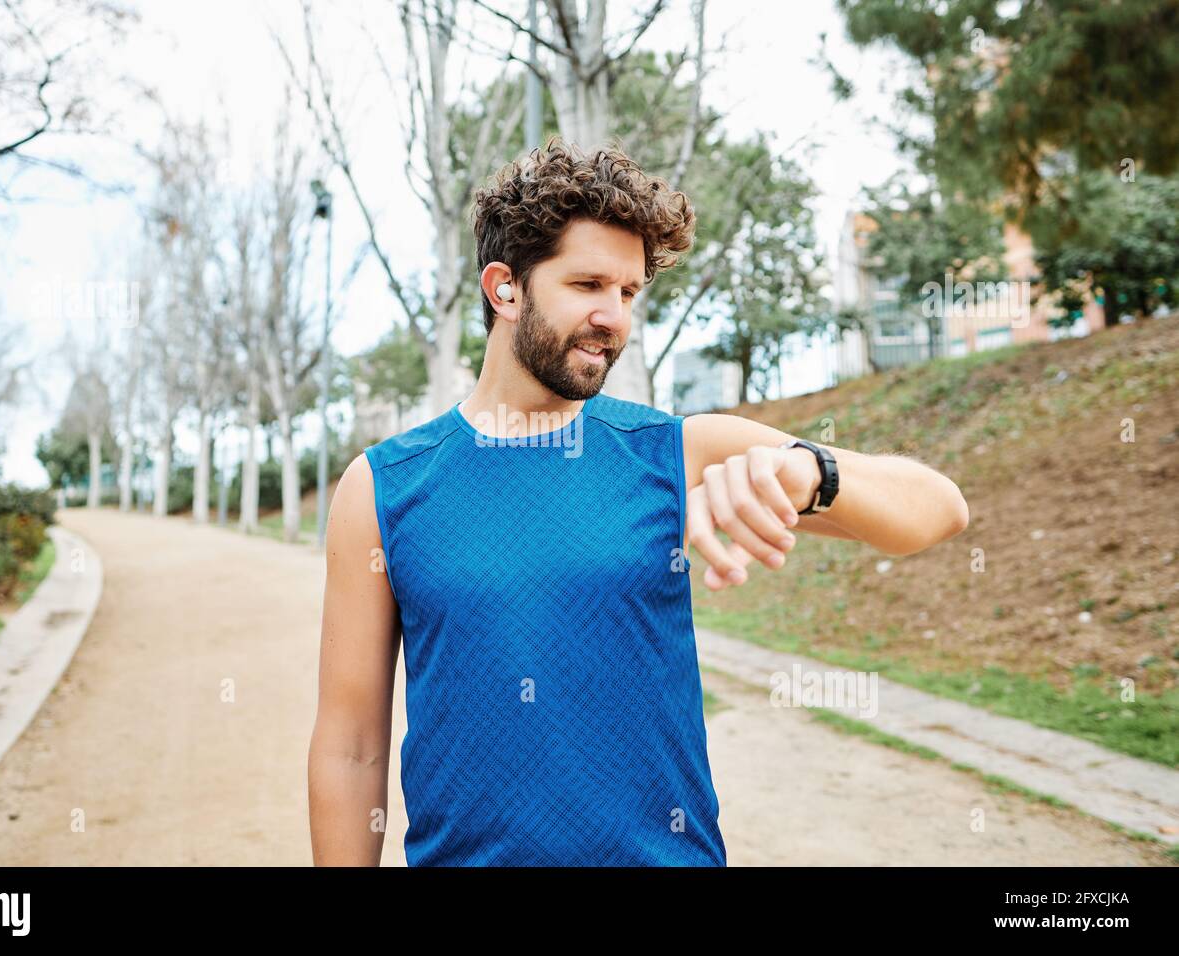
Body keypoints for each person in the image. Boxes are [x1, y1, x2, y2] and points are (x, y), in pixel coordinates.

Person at [308, 136, 969, 866]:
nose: (614, 317)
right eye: (588, 285)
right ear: (505, 289)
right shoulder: (383, 486)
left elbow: (938, 508)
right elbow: (351, 749)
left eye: (628, 293)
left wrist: (811, 472)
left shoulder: (674, 451)